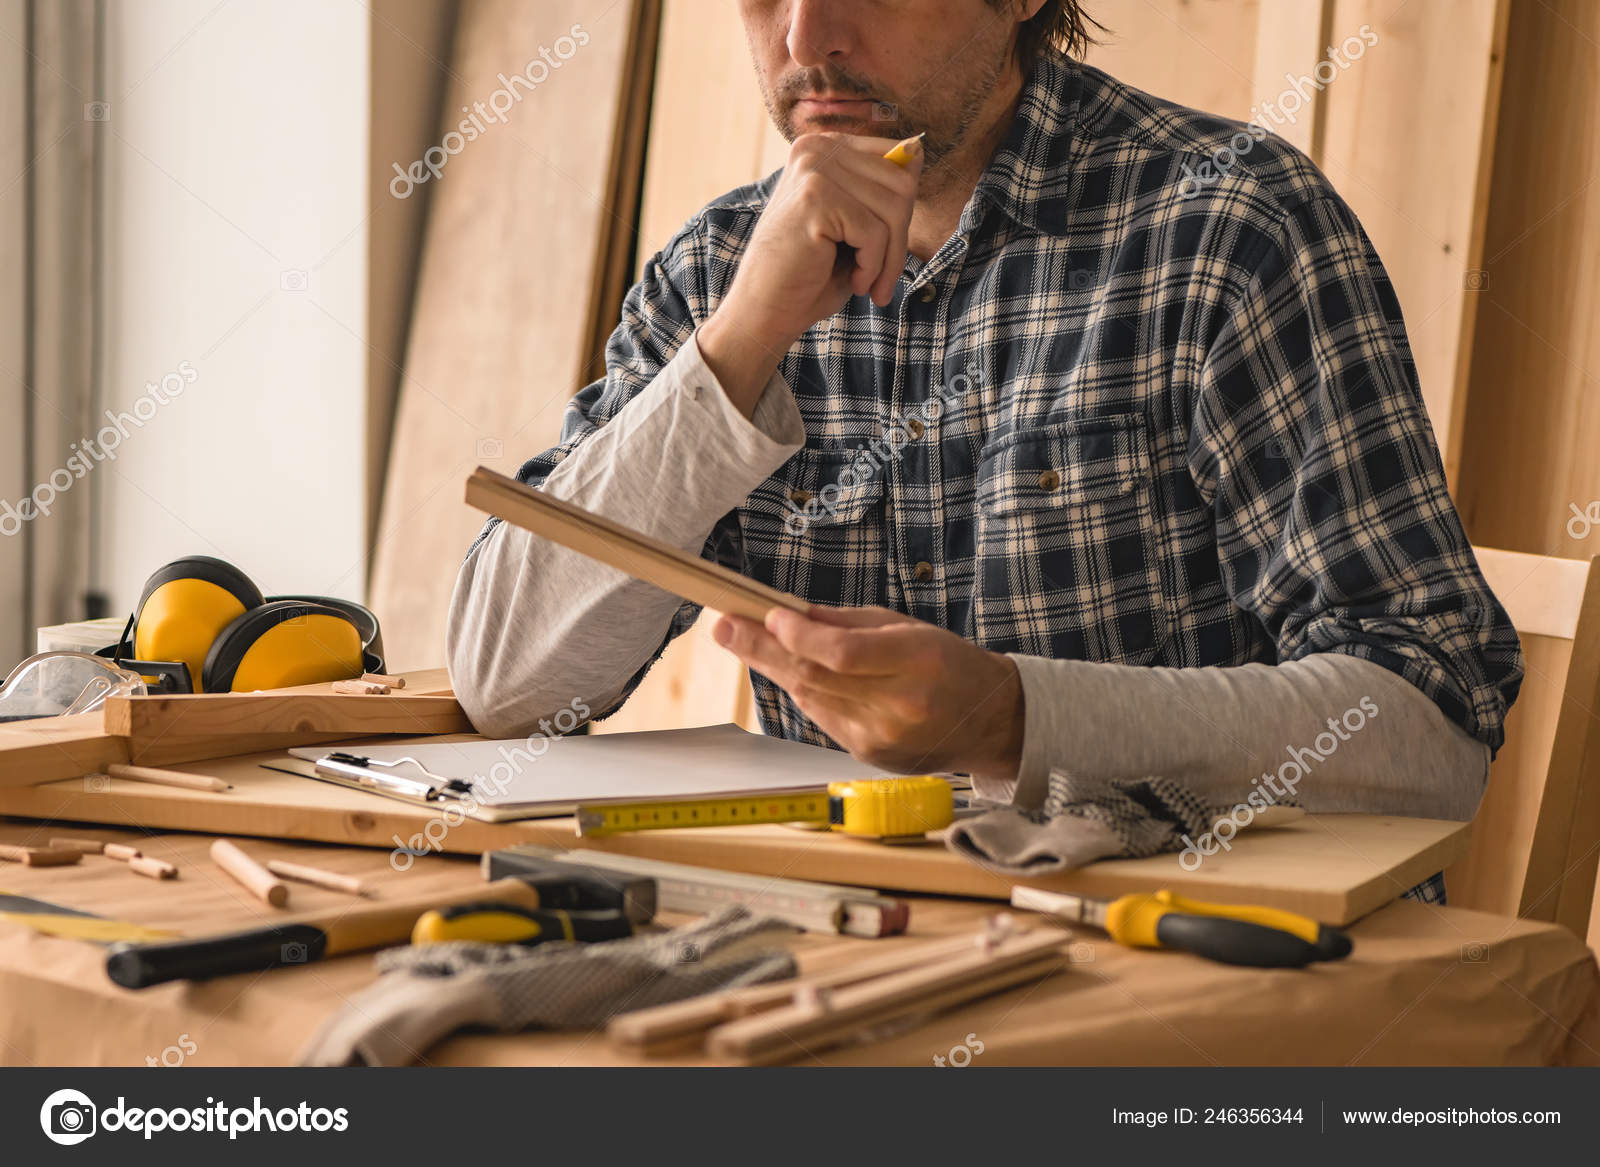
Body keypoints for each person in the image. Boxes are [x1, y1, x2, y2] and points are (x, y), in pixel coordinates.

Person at [447, 1, 1522, 902]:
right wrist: (731, 353)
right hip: (858, 964)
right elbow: (508, 688)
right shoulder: (720, 272)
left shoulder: (1227, 228)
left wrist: (1017, 721)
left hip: (1200, 981)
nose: (808, 34)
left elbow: (1432, 734)